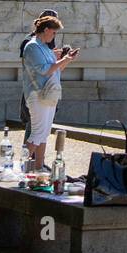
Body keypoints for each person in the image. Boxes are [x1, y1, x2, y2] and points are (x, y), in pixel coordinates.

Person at [20, 14, 75, 169]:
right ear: (45, 30)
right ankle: (19, 166)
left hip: (48, 94)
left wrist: (67, 59)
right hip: (37, 94)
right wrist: (63, 60)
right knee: (37, 133)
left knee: (43, 134)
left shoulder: (44, 47)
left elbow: (55, 71)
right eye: (54, 32)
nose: (54, 35)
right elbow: (45, 70)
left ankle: (38, 168)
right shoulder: (32, 46)